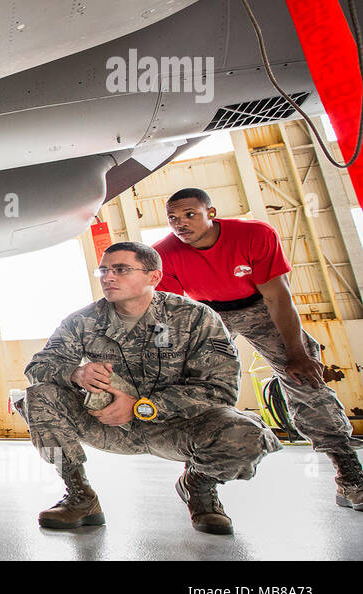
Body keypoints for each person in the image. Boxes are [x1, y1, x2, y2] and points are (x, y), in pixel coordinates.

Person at [19, 242, 281, 534]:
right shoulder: (83, 321)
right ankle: (80, 496)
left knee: (245, 434)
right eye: (103, 270)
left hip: (176, 427)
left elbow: (218, 390)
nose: (108, 277)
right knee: (39, 395)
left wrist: (140, 407)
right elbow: (38, 367)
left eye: (121, 269)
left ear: (153, 277)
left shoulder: (195, 318)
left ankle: (199, 486)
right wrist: (76, 374)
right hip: (109, 425)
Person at [155, 187, 362, 511]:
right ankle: (197, 479)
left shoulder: (253, 235)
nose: (180, 224)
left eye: (190, 214)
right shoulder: (163, 254)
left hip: (261, 306)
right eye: (173, 219)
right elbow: (171, 313)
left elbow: (278, 297)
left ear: (211, 213)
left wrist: (297, 353)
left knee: (306, 379)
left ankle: (349, 477)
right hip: (208, 314)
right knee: (198, 391)